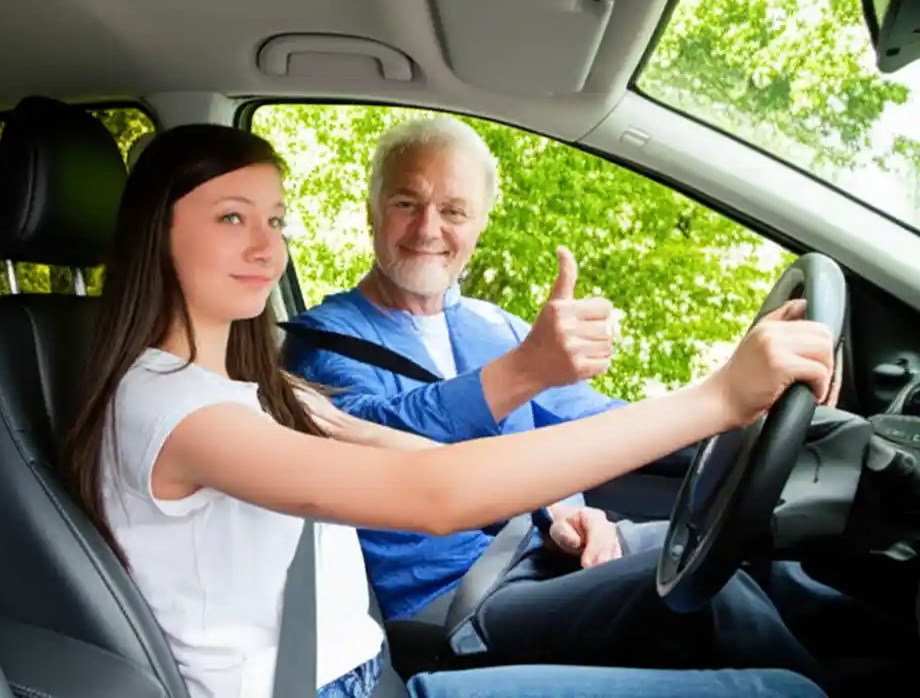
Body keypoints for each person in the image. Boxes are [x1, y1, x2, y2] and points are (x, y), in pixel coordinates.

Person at [58, 123, 832, 698]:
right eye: (232, 218)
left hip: (373, 674)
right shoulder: (175, 408)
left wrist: (578, 498)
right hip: (339, 682)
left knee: (748, 583)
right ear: (158, 233)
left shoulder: (258, 389)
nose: (268, 248)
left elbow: (427, 457)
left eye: (276, 220)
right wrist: (716, 396)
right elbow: (435, 496)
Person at [282, 116, 833, 676]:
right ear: (371, 211)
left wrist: (760, 410)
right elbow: (379, 444)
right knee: (718, 597)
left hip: (545, 550)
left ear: (480, 224)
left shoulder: (495, 325)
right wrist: (524, 371)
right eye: (406, 203)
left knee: (764, 563)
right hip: (453, 601)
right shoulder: (318, 344)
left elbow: (599, 422)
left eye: (453, 211)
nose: (428, 228)